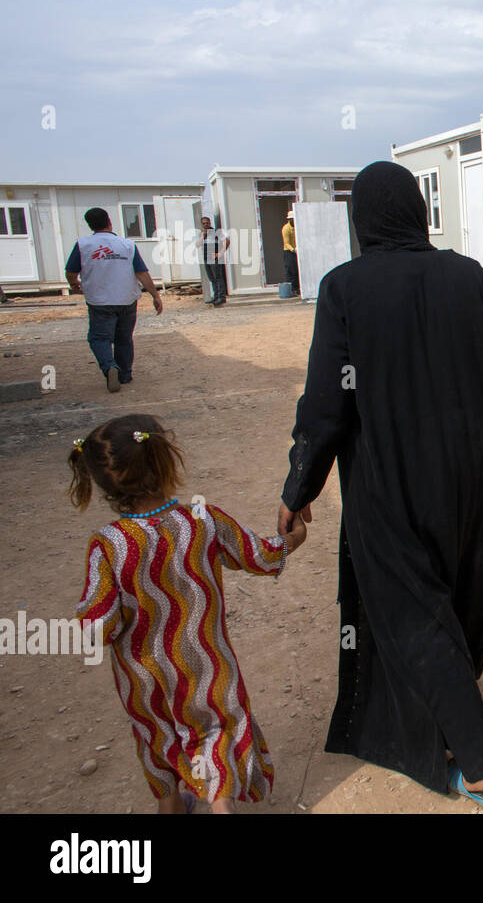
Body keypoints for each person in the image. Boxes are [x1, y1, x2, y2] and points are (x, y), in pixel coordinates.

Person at [278, 160, 483, 812]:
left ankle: (481, 762)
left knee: (411, 612)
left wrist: (299, 487)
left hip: (388, 481)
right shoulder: (471, 279)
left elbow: (325, 407)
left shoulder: (344, 288)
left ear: (362, 222)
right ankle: (451, 697)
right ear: (417, 214)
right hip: (472, 477)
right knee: (462, 590)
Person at [69, 414, 307, 814]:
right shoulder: (202, 520)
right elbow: (260, 557)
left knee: (158, 739)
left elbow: (97, 625)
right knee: (215, 733)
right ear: (166, 462)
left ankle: (171, 805)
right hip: (208, 668)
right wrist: (290, 541)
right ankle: (221, 804)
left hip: (145, 682)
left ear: (104, 484)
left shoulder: (108, 545)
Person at [65, 207, 163, 392]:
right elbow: (142, 273)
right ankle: (124, 374)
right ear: (109, 221)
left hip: (99, 301)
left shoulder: (83, 245)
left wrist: (74, 283)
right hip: (127, 299)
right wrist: (155, 295)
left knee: (99, 338)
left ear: (89, 225)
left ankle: (109, 366)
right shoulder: (127, 245)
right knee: (124, 338)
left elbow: (71, 271)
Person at [200, 216, 229, 306]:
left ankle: (221, 297)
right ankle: (215, 296)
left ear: (210, 223)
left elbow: (227, 241)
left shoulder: (216, 232)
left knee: (218, 277)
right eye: (204, 223)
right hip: (206, 258)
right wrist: (203, 236)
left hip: (214, 258)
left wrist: (220, 253)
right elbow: (197, 244)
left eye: (207, 223)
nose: (206, 224)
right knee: (212, 278)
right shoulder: (202, 233)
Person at [281, 209, 299, 296]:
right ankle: (292, 289)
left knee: (297, 270)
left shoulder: (297, 227)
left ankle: (298, 288)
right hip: (289, 252)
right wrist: (293, 250)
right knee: (291, 270)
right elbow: (286, 243)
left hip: (297, 251)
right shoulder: (286, 229)